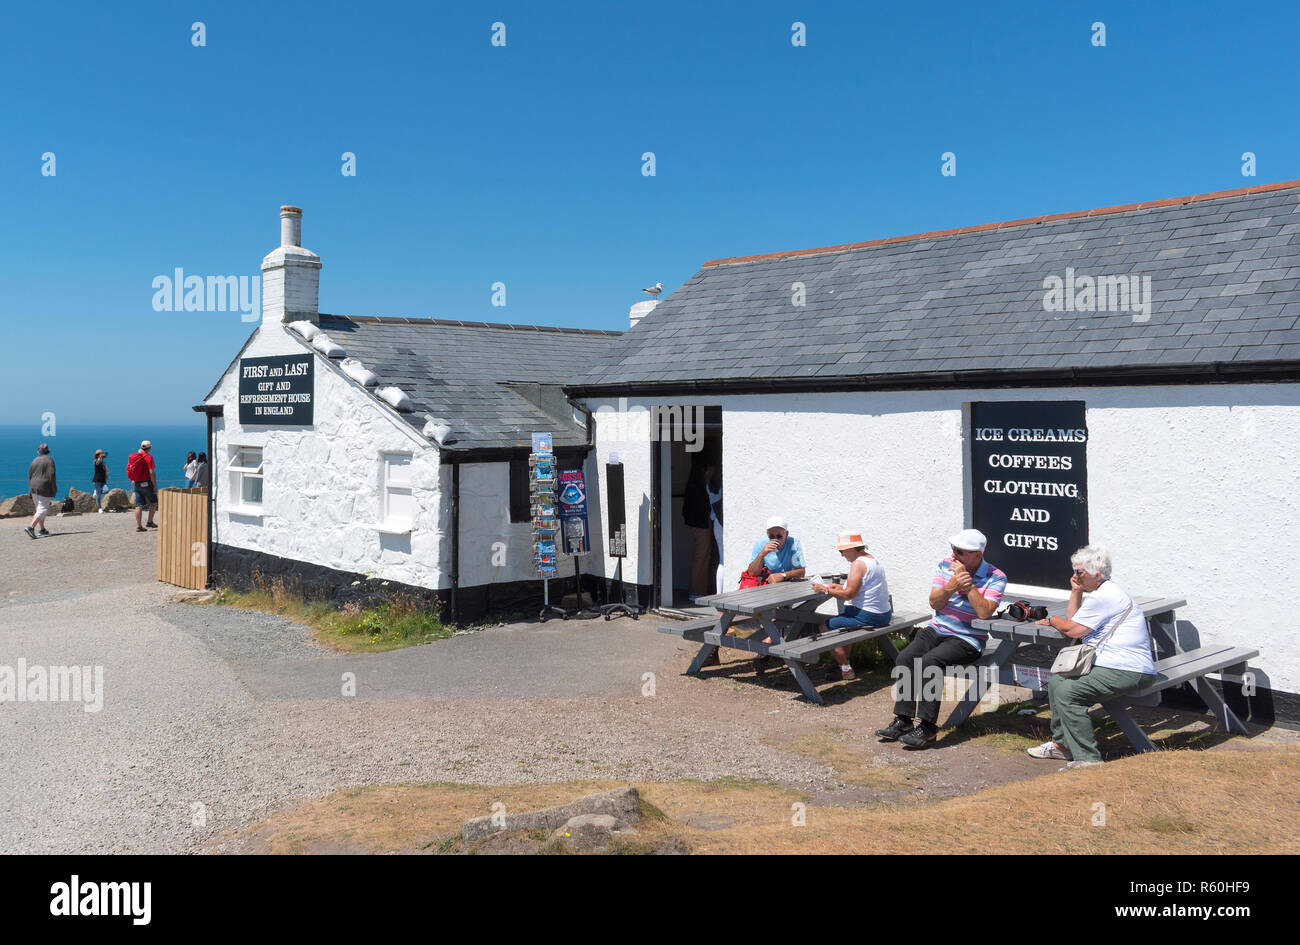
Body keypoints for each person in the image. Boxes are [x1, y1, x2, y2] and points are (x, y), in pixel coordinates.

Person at [1026, 546, 1158, 770]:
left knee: (1069, 693)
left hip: (1130, 670)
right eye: (1075, 571)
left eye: (1080, 573)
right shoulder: (1106, 592)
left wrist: (1053, 620)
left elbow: (1074, 630)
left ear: (1097, 575)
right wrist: (1076, 590)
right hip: (1116, 665)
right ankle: (1062, 745)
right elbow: (1076, 619)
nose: (1075, 576)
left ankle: (1088, 759)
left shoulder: (1104, 597)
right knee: (1058, 680)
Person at [876, 528, 1006, 748]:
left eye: (960, 551)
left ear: (977, 554)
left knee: (930, 662)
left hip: (969, 638)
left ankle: (927, 728)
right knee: (905, 658)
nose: (954, 554)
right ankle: (904, 720)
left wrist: (968, 586)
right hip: (938, 628)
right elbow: (935, 603)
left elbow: (984, 613)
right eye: (953, 549)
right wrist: (952, 585)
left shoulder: (996, 576)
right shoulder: (946, 565)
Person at [811, 532, 892, 682]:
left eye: (842, 551)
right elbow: (861, 587)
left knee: (824, 627)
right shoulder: (873, 560)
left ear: (852, 549)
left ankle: (845, 669)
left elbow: (849, 595)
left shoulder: (857, 564)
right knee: (845, 624)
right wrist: (840, 586)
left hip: (869, 615)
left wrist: (825, 590)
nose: (842, 555)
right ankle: (843, 664)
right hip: (884, 613)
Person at [749, 517, 807, 670]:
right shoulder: (761, 545)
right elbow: (752, 572)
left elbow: (801, 571)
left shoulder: (793, 543)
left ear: (786, 534)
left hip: (787, 588)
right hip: (765, 588)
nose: (775, 539)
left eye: (779, 536)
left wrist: (782, 575)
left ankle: (765, 652)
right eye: (771, 536)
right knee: (771, 615)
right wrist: (762, 554)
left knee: (785, 614)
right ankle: (768, 650)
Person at [682, 456, 717, 599]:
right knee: (702, 556)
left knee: (702, 556)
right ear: (705, 469)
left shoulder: (694, 484)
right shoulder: (699, 486)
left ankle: (699, 590)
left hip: (697, 523)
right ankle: (696, 591)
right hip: (701, 524)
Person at [25, 443, 57, 540]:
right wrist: (54, 488)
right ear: (47, 451)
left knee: (39, 508)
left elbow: (29, 475)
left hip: (33, 486)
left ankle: (42, 529)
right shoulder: (49, 460)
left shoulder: (34, 460)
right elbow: (52, 474)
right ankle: (31, 527)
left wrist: (30, 488)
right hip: (44, 487)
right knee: (43, 508)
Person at [127, 440, 159, 532]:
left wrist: (133, 478)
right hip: (147, 482)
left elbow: (131, 468)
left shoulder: (135, 457)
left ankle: (139, 526)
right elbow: (151, 472)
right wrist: (155, 486)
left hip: (137, 483)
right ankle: (149, 522)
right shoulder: (148, 457)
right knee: (153, 502)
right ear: (149, 448)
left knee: (139, 505)